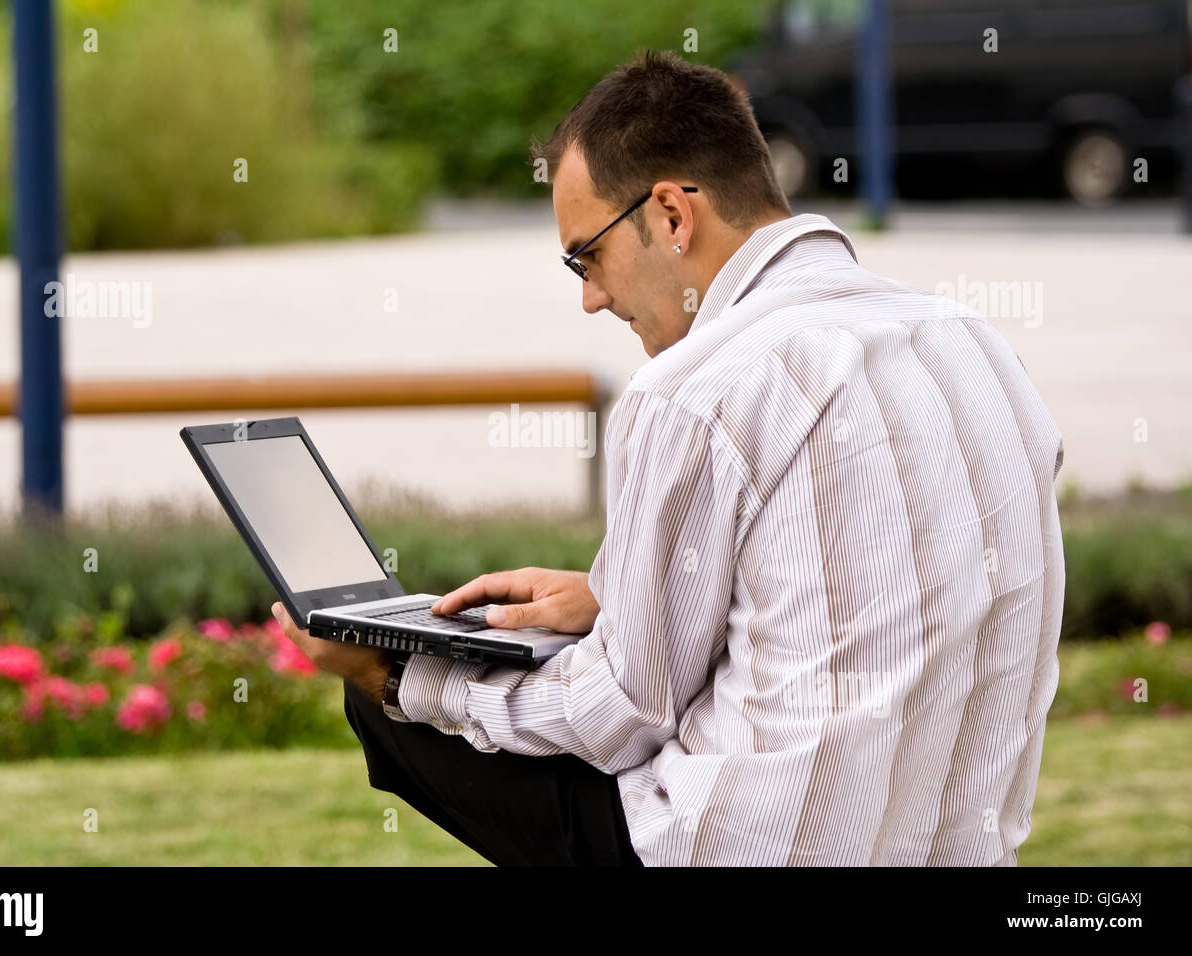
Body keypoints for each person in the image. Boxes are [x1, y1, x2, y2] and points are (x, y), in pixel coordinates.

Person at [272, 48, 1066, 867]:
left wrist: (402, 680)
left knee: (387, 705)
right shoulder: (975, 347)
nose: (591, 297)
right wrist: (614, 598)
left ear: (672, 216)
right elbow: (865, 586)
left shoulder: (697, 390)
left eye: (586, 257)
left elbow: (619, 717)